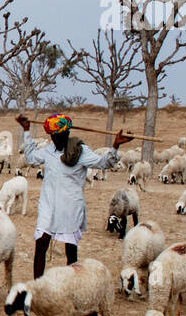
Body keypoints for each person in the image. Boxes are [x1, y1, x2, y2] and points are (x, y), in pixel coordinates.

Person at [16, 112, 133, 278]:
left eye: (58, 135)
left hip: (70, 207)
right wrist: (26, 130)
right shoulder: (48, 151)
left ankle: (73, 286)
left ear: (66, 133)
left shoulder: (81, 151)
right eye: (52, 136)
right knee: (41, 244)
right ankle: (38, 286)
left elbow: (104, 163)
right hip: (48, 206)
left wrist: (115, 146)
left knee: (70, 249)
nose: (55, 139)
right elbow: (30, 158)